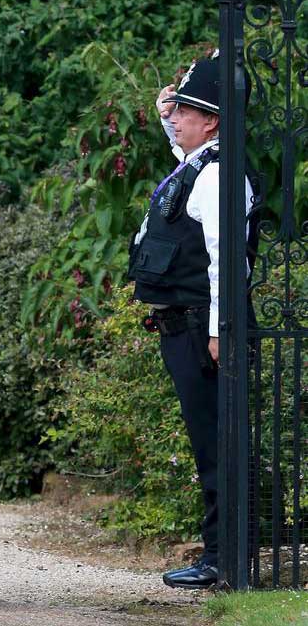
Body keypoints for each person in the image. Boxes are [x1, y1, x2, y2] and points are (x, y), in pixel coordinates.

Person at [128, 55, 254, 589]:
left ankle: (224, 558)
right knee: (208, 440)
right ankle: (222, 554)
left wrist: (220, 330)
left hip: (202, 326)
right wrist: (168, 117)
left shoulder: (220, 174)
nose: (174, 116)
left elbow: (228, 259)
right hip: (186, 324)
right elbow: (183, 158)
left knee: (216, 442)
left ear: (213, 121)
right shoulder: (202, 164)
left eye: (185, 110)